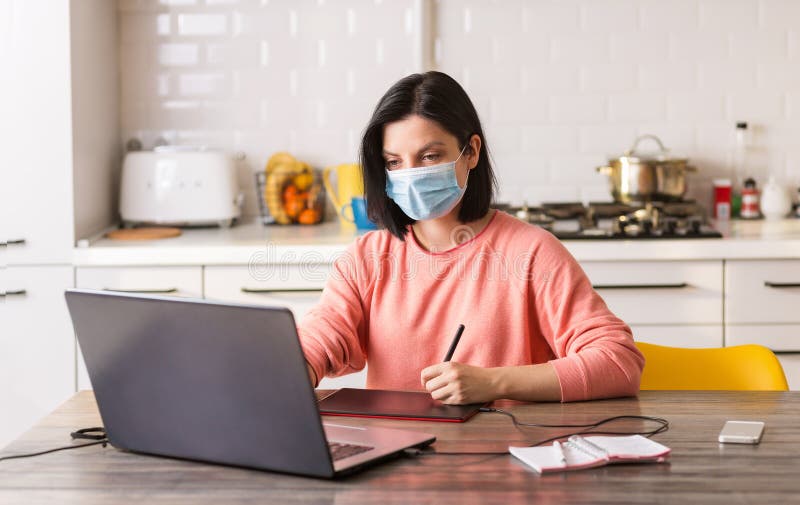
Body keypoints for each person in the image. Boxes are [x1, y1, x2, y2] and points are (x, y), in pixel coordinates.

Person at [298, 71, 643, 404]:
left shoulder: (531, 252)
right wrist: (297, 368)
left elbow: (618, 362)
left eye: (430, 156)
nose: (412, 175)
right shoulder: (365, 258)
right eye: (394, 162)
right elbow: (323, 335)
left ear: (472, 152)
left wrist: (493, 383)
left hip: (502, 455)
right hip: (394, 456)